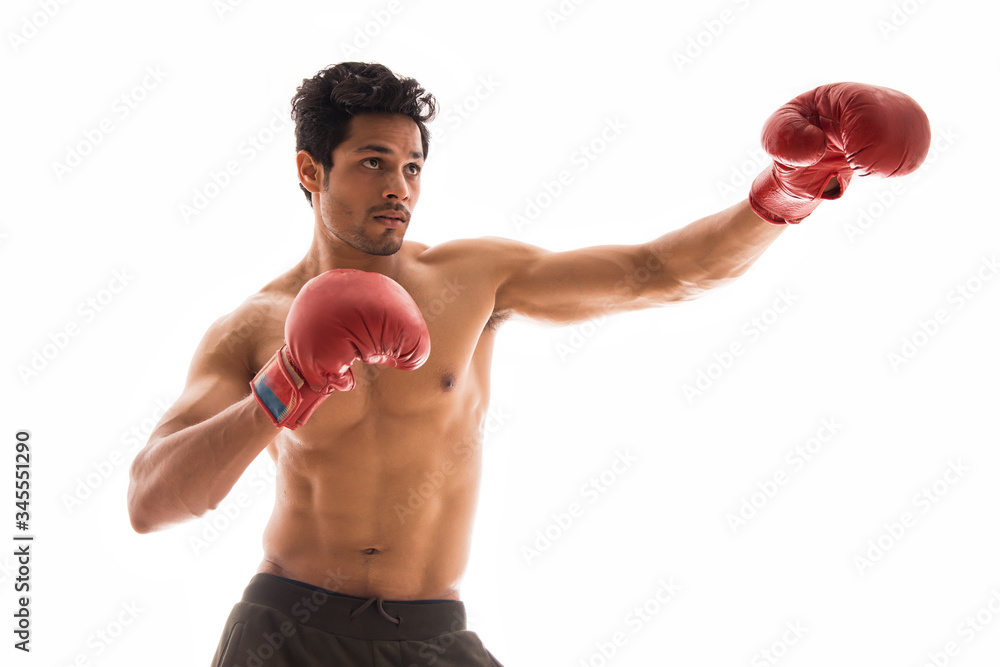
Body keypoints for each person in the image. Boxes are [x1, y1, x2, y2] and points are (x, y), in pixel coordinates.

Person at [126, 62, 931, 666]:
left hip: (435, 634)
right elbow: (152, 500)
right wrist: (283, 388)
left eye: (411, 167)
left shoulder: (472, 280)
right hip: (288, 635)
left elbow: (660, 271)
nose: (399, 187)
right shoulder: (255, 326)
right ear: (311, 170)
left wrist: (785, 191)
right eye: (373, 162)